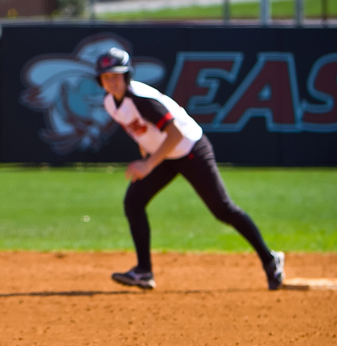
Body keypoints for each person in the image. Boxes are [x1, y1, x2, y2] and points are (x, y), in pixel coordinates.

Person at [95, 47, 285, 291]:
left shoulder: (140, 99)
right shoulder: (111, 102)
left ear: (127, 75)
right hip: (165, 154)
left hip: (190, 149)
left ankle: (271, 260)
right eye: (106, 77)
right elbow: (141, 132)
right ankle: (143, 271)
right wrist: (147, 156)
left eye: (116, 75)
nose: (111, 81)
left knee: (223, 210)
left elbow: (175, 133)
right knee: (134, 201)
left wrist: (149, 164)